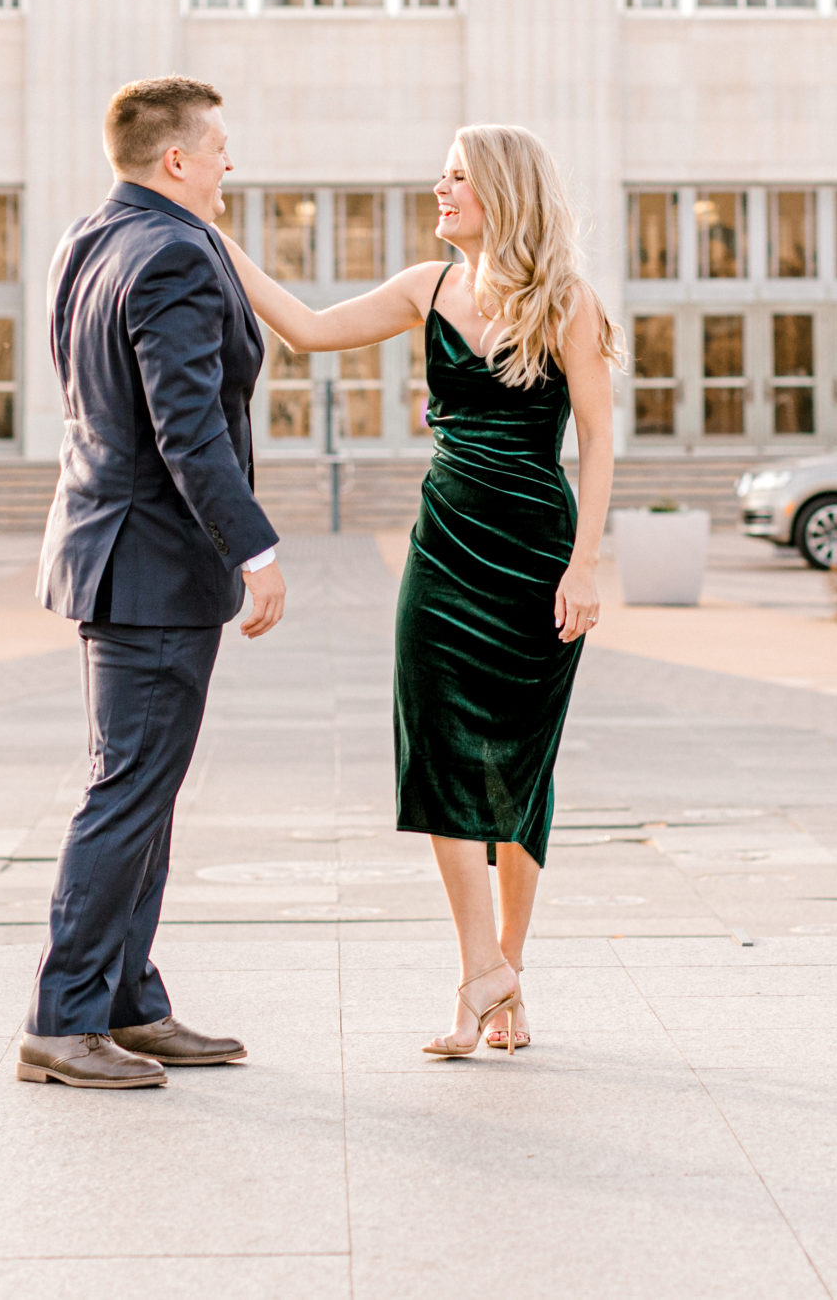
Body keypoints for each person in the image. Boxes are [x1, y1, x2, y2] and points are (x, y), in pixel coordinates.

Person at [218, 125, 617, 1058]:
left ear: (504, 194)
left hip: (535, 552)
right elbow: (310, 328)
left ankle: (504, 975)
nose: (439, 191)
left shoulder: (567, 304)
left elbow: (597, 439)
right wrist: (208, 233)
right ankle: (480, 969)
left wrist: (585, 563)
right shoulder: (425, 287)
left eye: (457, 179)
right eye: (440, 175)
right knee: (435, 748)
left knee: (519, 765)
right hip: (443, 549)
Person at [19, 76, 289, 1090]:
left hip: (110, 552)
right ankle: (63, 1020)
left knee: (144, 787)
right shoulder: (174, 252)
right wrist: (252, 549)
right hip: (150, 567)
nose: (229, 162)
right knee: (126, 787)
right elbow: (188, 429)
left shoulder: (91, 238)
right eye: (218, 146)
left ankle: (128, 1003)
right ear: (175, 160)